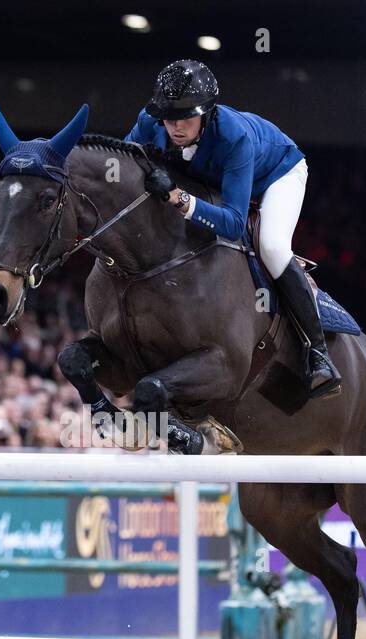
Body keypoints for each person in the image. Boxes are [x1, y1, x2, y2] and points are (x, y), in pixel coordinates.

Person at [126, 59, 340, 398]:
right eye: (169, 117)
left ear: (207, 113)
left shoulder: (234, 137)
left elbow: (233, 222)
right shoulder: (151, 122)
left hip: (276, 174)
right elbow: (126, 168)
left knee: (271, 245)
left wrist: (178, 198)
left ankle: (317, 354)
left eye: (185, 118)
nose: (175, 127)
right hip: (216, 176)